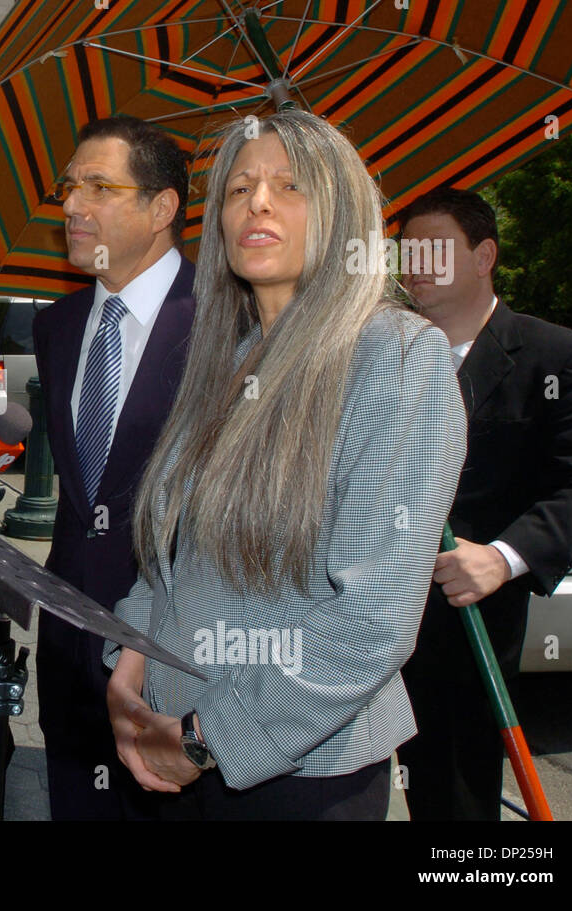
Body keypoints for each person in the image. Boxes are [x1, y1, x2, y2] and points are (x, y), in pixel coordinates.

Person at [104, 110, 467, 820]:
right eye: (238, 189)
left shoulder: (396, 355)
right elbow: (175, 554)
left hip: (302, 775)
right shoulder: (227, 360)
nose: (257, 202)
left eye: (289, 184)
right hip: (172, 745)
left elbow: (372, 621)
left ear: (342, 210)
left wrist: (210, 741)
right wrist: (130, 659)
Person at [395, 188, 572, 821]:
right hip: (356, 618)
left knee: (454, 799)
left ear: (484, 255)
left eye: (433, 249)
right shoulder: (376, 354)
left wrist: (504, 558)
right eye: (406, 250)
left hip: (469, 627)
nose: (415, 263)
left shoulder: (559, 358)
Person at [30, 115, 196, 820]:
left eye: (100, 186)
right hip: (68, 654)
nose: (72, 205)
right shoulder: (57, 326)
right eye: (70, 186)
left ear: (162, 208)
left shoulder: (230, 324)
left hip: (177, 663)